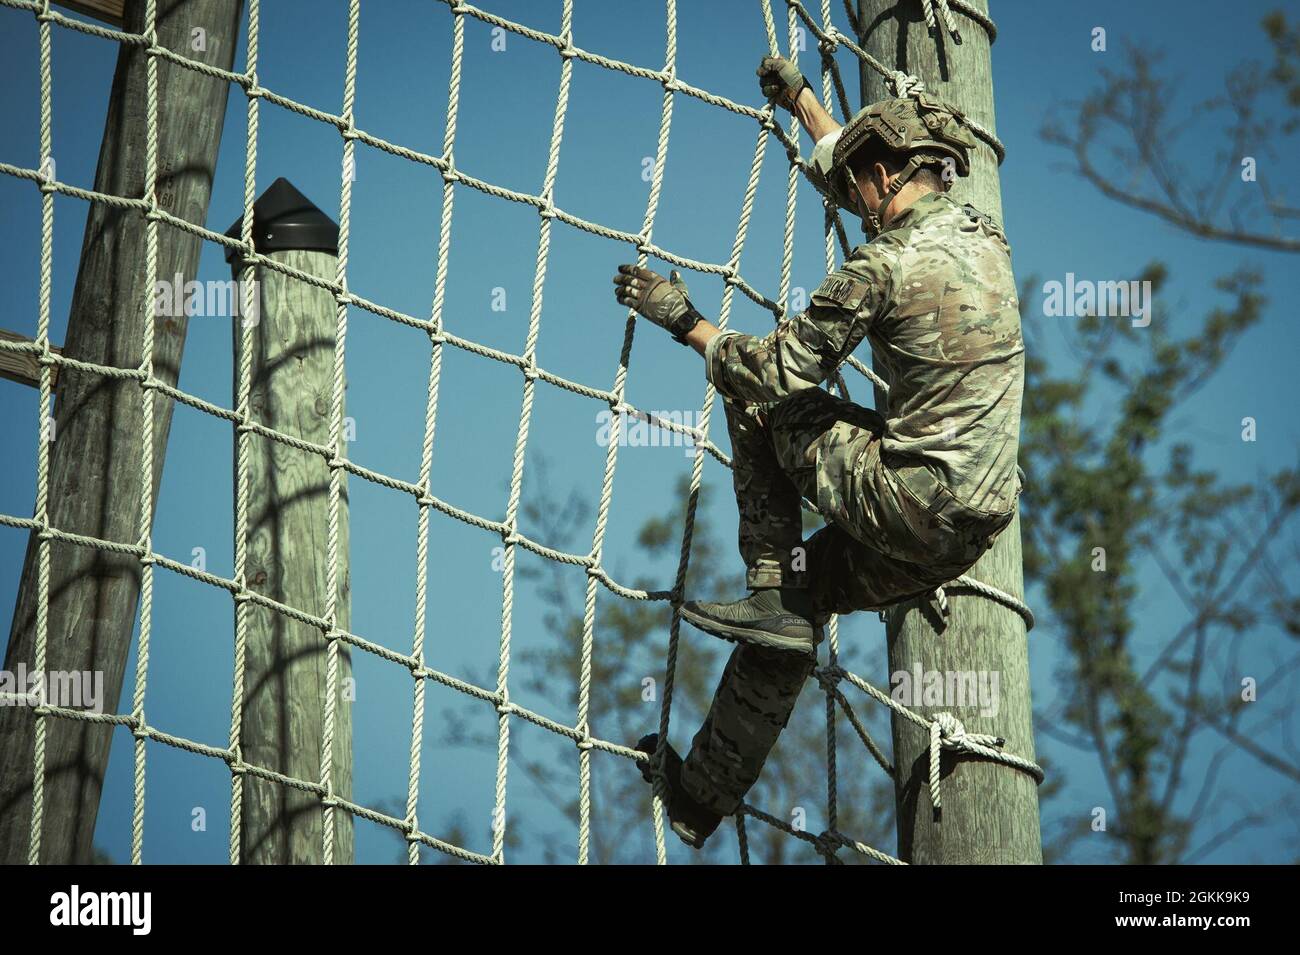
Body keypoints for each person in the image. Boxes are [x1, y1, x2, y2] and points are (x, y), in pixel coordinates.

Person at [615, 56, 1024, 849]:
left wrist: (685, 320)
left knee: (758, 395)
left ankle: (768, 581)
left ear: (881, 175)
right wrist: (804, 101)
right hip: (968, 531)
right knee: (801, 609)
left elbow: (775, 368)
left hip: (908, 497)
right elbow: (860, 167)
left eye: (861, 191)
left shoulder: (883, 265)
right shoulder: (986, 240)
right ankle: (701, 794)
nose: (857, 210)